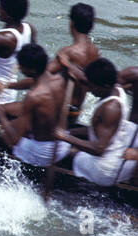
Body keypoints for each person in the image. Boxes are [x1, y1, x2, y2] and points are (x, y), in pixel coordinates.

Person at [49, 58, 138, 189]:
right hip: (116, 154)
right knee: (72, 133)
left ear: (105, 86)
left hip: (104, 172)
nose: (89, 90)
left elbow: (98, 149)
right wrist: (69, 132)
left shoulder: (110, 109)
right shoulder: (116, 88)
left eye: (91, 87)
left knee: (66, 152)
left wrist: (64, 136)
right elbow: (88, 79)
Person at [0, 44, 67, 168]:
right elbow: (31, 82)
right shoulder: (59, 80)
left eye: (21, 66)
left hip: (45, 152)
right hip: (63, 143)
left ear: (32, 70)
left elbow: (14, 138)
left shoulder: (33, 96)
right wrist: (5, 85)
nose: (19, 68)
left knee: (5, 135)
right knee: (14, 121)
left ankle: (10, 166)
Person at [47, 3, 100, 122]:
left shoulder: (68, 52)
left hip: (60, 112)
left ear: (71, 24)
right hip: (76, 112)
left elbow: (41, 74)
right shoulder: (95, 52)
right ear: (91, 26)